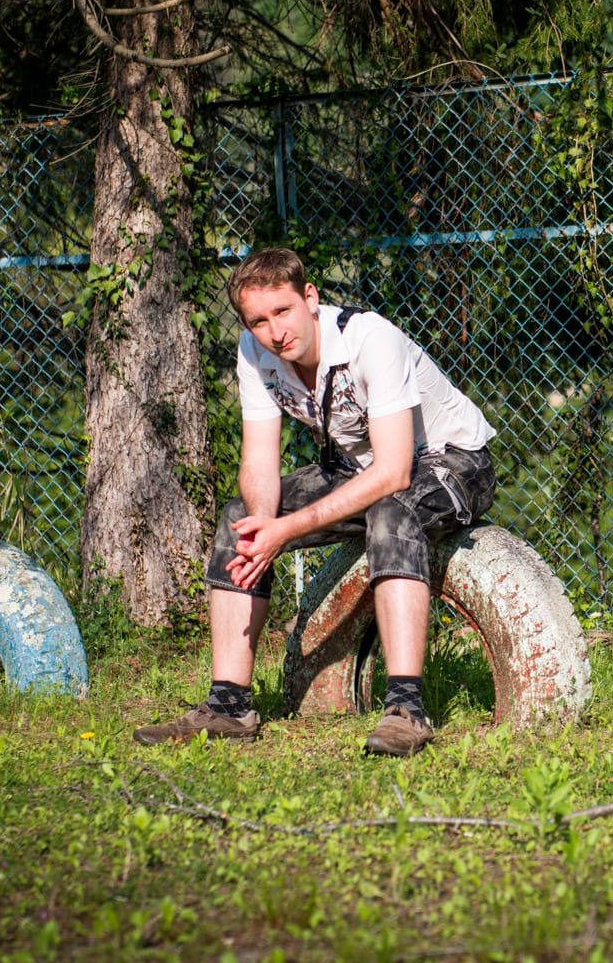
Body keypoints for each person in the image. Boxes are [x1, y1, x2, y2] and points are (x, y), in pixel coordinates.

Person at [133, 247, 496, 756]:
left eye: (282, 311)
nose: (274, 331)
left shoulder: (372, 341)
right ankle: (228, 706)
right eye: (258, 320)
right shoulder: (254, 352)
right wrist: (264, 525)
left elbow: (394, 472)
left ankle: (405, 709)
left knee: (393, 512)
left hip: (451, 460)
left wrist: (290, 529)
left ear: (310, 297)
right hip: (360, 463)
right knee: (240, 518)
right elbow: (259, 461)